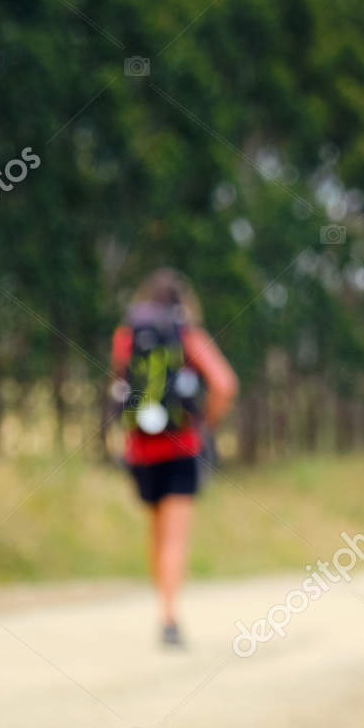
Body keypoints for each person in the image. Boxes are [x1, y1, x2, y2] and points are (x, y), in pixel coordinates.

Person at [110, 270, 237, 647]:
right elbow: (225, 384)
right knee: (175, 538)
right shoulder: (188, 335)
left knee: (156, 533)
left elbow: (119, 385)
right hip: (181, 446)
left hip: (140, 448)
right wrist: (206, 422)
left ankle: (161, 607)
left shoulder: (126, 336)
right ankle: (169, 617)